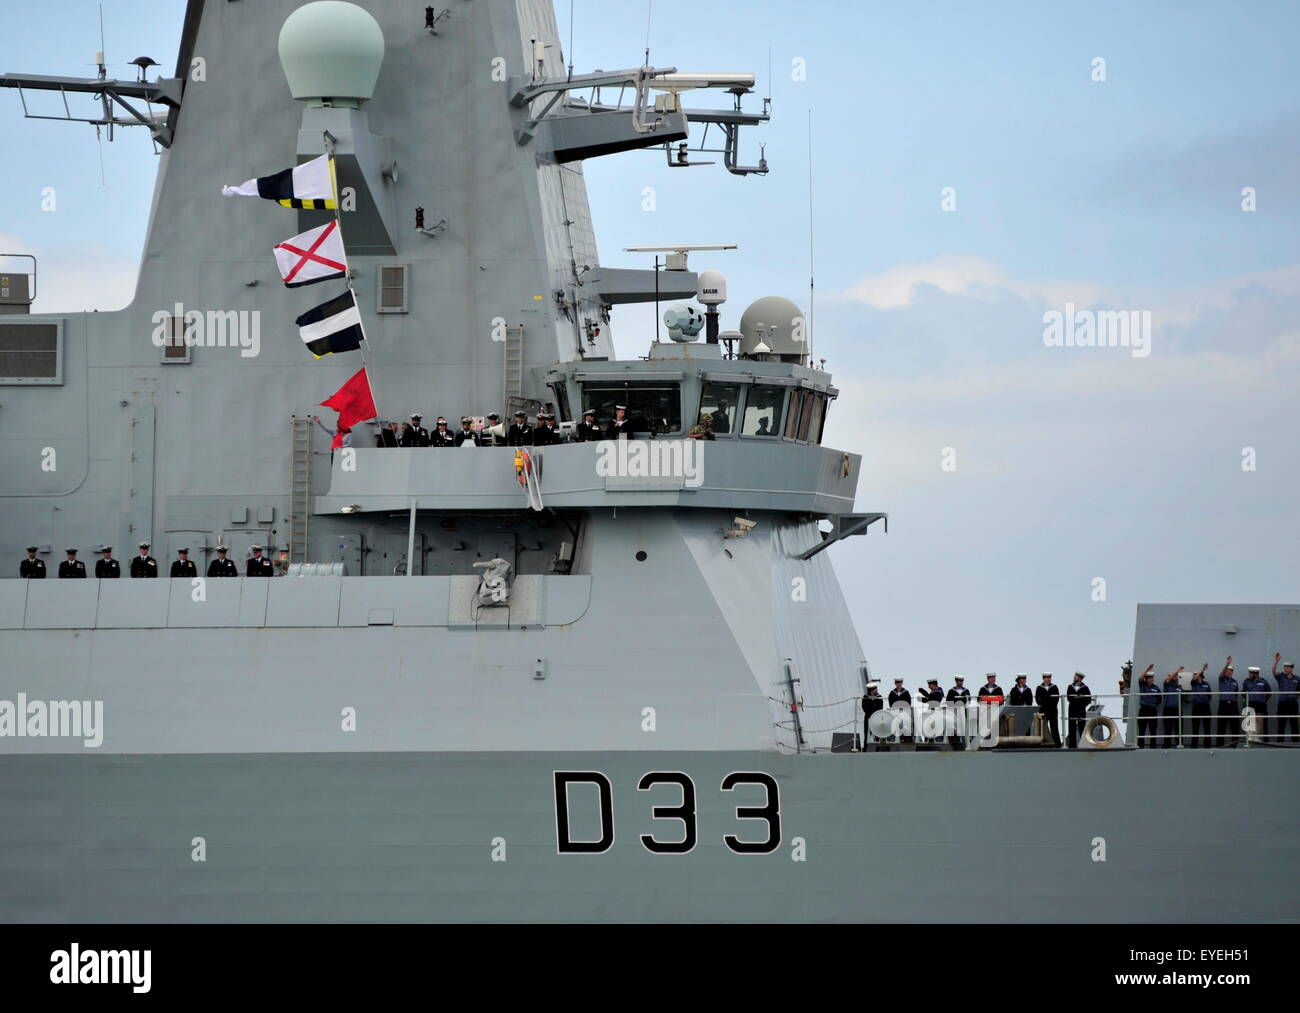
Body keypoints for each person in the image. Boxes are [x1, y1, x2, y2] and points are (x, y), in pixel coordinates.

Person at [1273, 654, 1298, 744]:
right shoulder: (1281, 677)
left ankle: (1296, 742)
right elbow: (1274, 672)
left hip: (1293, 703)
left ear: (1291, 668)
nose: (1285, 669)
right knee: (1281, 723)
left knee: (1294, 723)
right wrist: (1276, 661)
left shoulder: (1297, 679)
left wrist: (1294, 697)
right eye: (1285, 667)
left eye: (1287, 667)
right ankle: (1280, 742)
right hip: (1282, 703)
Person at [1217, 657, 1241, 748]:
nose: (1228, 672)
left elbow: (1236, 693)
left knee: (1235, 725)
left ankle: (1235, 745)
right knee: (1221, 726)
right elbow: (1221, 674)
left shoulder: (1235, 682)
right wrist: (1227, 663)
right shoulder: (1222, 679)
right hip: (1223, 704)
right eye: (1227, 670)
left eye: (1230, 671)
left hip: (1233, 705)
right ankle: (1220, 745)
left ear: (1232, 672)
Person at [1186, 665, 1212, 748]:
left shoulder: (1206, 684)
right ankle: (1194, 746)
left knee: (1207, 727)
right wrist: (1202, 669)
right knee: (1195, 728)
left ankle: (1207, 745)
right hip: (1196, 707)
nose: (1195, 676)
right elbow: (1193, 679)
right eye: (1194, 675)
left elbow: (1210, 696)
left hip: (1205, 706)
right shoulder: (1194, 683)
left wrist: (1205, 698)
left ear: (1201, 676)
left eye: (1196, 675)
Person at [1242, 666, 1269, 740]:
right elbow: (1243, 693)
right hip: (1251, 704)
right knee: (1250, 723)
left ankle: (1265, 742)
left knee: (1263, 724)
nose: (1249, 675)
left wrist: (1262, 699)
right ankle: (1250, 741)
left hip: (1261, 705)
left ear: (1255, 674)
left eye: (1250, 673)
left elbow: (1269, 692)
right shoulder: (1246, 682)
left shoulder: (1263, 681)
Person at [1066, 672, 1091, 749]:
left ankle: (1084, 745)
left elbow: (1088, 699)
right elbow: (1069, 697)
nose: (1074, 677)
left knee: (1082, 728)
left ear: (1080, 678)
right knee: (1071, 728)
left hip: (1081, 710)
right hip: (1072, 709)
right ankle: (1072, 746)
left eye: (1076, 676)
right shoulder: (1070, 687)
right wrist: (1077, 698)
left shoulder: (1085, 688)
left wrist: (1080, 702)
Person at [1136, 665, 1159, 749]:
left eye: (1152, 678)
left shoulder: (1156, 688)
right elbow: (1140, 678)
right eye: (1150, 678)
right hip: (1144, 709)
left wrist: (1153, 703)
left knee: (1153, 729)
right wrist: (1147, 669)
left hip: (1152, 710)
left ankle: (1153, 746)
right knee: (1142, 729)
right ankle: (1140, 746)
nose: (1152, 679)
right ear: (1146, 679)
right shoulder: (1143, 685)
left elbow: (1159, 699)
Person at [1036, 673, 1062, 748]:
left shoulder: (1054, 687)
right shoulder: (1039, 688)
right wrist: (1047, 698)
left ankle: (1057, 745)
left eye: (1049, 678)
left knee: (1054, 728)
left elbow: (1055, 700)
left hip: (1052, 710)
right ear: (1043, 679)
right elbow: (1038, 700)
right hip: (1043, 711)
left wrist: (1045, 699)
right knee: (1043, 729)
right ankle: (1043, 745)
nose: (1047, 679)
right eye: (1046, 678)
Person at [1161, 667, 1184, 748]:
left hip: (1177, 710)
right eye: (1173, 676)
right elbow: (1168, 679)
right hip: (1168, 710)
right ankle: (1167, 745)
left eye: (1176, 676)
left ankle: (1179, 744)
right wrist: (1178, 670)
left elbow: (1183, 697)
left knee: (1179, 729)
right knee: (1168, 729)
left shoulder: (1180, 687)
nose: (1175, 676)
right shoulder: (1167, 685)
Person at [946, 676, 970, 749]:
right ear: (956, 681)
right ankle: (955, 743)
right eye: (959, 681)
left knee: (964, 727)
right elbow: (948, 701)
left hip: (963, 711)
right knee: (954, 728)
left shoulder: (966, 691)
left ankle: (964, 743)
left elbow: (969, 700)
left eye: (961, 681)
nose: (960, 682)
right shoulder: (951, 691)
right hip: (954, 711)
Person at [888, 677, 912, 743]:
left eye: (900, 683)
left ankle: (906, 738)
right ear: (895, 683)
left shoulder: (906, 692)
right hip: (895, 712)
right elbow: (891, 704)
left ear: (902, 683)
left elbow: (908, 703)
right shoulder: (892, 693)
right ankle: (895, 738)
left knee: (905, 723)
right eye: (897, 683)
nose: (899, 684)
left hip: (904, 712)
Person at [861, 683, 884, 751]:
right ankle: (865, 749)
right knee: (866, 733)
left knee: (877, 734)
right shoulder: (865, 697)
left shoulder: (879, 697)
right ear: (872, 690)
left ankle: (877, 749)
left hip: (876, 717)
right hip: (868, 717)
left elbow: (880, 707)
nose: (877, 690)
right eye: (875, 689)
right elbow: (864, 708)